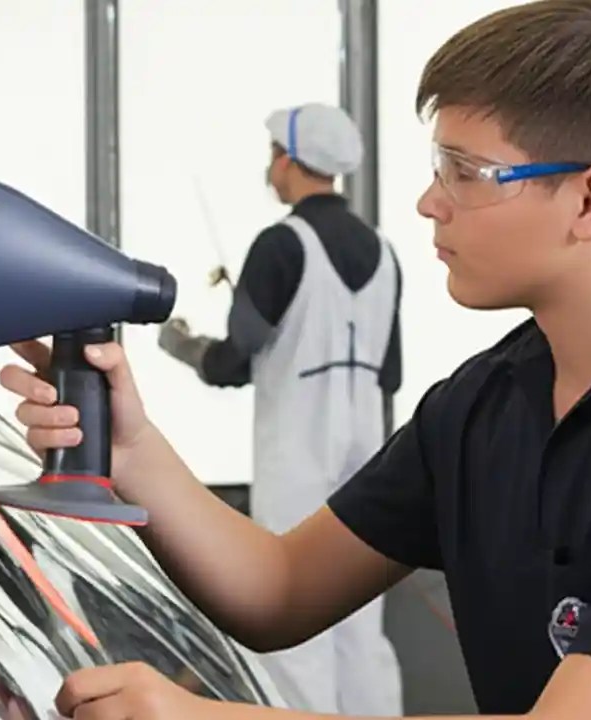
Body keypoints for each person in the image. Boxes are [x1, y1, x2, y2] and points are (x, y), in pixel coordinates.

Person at [0, 1, 591, 717]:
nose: (428, 202)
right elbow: (277, 588)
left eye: (466, 171)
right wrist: (132, 449)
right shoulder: (487, 402)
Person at [153, 102, 405, 716]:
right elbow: (390, 373)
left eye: (273, 154)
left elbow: (233, 360)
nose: (270, 168)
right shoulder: (384, 251)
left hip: (297, 454)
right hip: (369, 456)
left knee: (290, 617)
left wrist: (178, 341)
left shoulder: (280, 245)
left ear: (291, 161)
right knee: (360, 627)